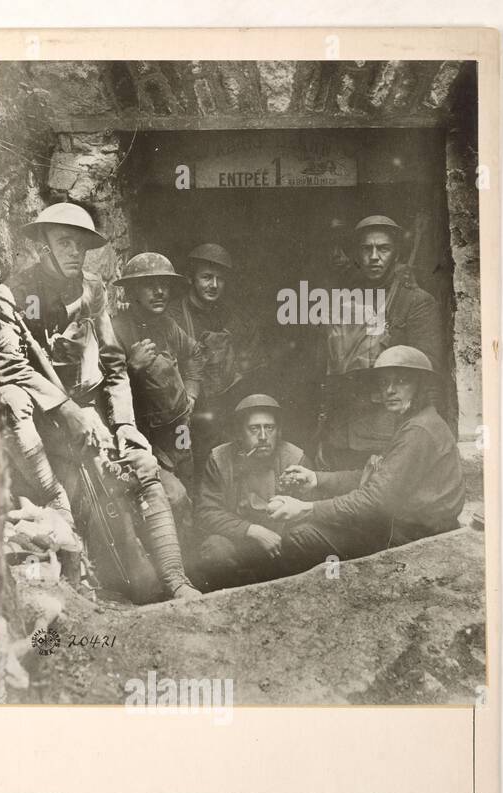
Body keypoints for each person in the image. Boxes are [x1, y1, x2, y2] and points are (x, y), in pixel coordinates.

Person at [0, 203, 200, 601]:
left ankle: (177, 580)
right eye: (64, 242)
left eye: (81, 245)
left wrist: (124, 426)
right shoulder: (10, 295)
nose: (74, 252)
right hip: (40, 421)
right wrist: (67, 411)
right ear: (43, 247)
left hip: (89, 411)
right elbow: (12, 368)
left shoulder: (93, 290)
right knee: (96, 519)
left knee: (141, 464)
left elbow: (114, 364)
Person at [267, 347, 464, 571]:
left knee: (299, 535)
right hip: (403, 527)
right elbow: (378, 478)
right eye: (384, 383)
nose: (390, 390)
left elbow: (374, 501)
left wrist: (306, 508)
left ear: (421, 386)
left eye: (401, 381)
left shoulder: (419, 430)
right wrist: (316, 479)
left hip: (413, 539)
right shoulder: (415, 421)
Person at [317, 215, 446, 470]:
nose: (374, 256)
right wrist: (323, 432)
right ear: (357, 254)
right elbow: (329, 372)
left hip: (386, 434)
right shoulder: (345, 301)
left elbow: (428, 372)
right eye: (366, 249)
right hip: (340, 432)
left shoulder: (416, 301)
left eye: (383, 248)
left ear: (396, 253)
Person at [109, 252, 205, 498]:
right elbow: (106, 389)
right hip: (146, 438)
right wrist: (132, 367)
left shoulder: (167, 325)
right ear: (131, 293)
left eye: (164, 285)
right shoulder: (115, 330)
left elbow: (193, 352)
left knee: (189, 483)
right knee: (172, 498)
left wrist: (191, 395)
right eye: (150, 285)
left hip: (180, 430)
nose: (160, 291)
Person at [194, 395, 312, 590]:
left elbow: (311, 513)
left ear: (278, 431)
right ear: (240, 433)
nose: (263, 436)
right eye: (254, 429)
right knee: (215, 550)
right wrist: (252, 530)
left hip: (281, 545)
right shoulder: (220, 459)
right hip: (237, 543)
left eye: (270, 428)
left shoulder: (295, 459)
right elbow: (206, 512)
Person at [169, 243, 260, 487]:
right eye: (206, 277)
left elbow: (248, 361)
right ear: (191, 278)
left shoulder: (233, 316)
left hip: (221, 411)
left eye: (220, 279)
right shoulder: (173, 315)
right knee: (186, 470)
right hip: (184, 412)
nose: (214, 285)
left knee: (222, 472)